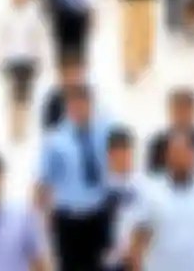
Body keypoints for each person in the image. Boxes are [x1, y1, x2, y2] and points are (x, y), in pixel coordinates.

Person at [128, 131, 194, 271]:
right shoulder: (150, 193)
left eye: (184, 152)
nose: (179, 158)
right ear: (167, 157)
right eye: (175, 153)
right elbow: (137, 240)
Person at [36, 84, 114, 271]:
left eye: (84, 104)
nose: (79, 109)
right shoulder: (55, 140)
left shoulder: (106, 133)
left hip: (99, 213)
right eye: (74, 105)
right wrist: (41, 218)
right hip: (67, 217)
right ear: (68, 107)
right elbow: (44, 181)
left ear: (91, 104)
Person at [0, 0, 48, 142]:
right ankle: (13, 127)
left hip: (28, 60)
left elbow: (40, 38)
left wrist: (40, 59)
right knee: (13, 94)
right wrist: (0, 58)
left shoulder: (33, 14)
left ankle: (22, 128)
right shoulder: (6, 14)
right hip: (11, 59)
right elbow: (1, 38)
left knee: (25, 96)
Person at [146, 88, 194, 175]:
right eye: (177, 110)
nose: (181, 116)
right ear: (170, 111)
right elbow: (152, 176)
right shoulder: (158, 143)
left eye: (185, 110)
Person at [103, 128, 144, 271]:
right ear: (109, 154)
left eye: (126, 150)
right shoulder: (99, 187)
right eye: (117, 151)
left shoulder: (143, 186)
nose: (123, 156)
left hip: (136, 260)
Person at [40, 54, 86, 131]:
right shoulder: (54, 101)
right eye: (68, 74)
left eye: (74, 74)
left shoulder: (85, 97)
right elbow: (49, 129)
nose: (71, 78)